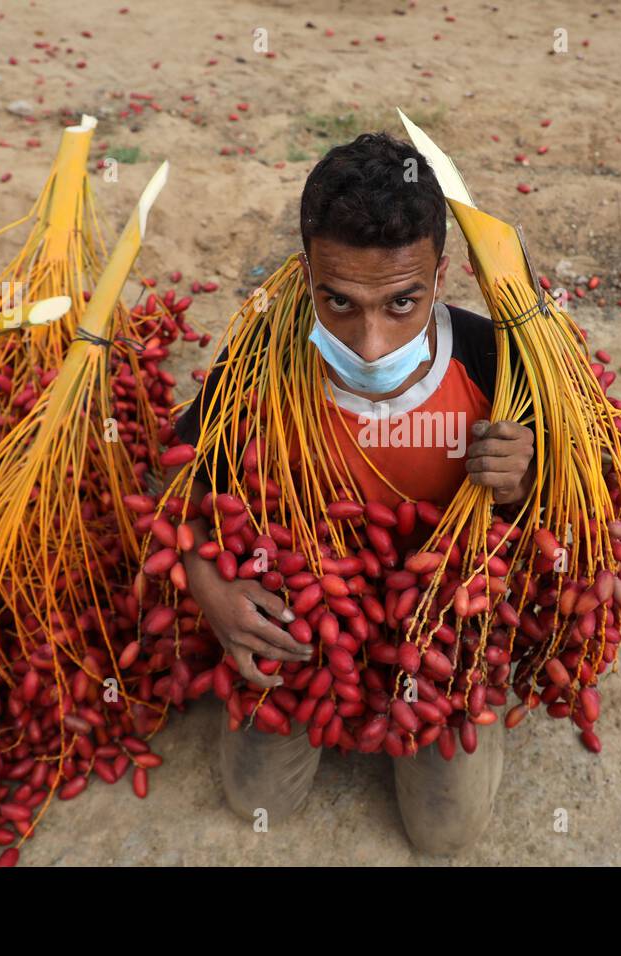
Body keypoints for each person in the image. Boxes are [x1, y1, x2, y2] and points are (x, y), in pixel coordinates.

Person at [169, 132, 536, 854]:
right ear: (305, 272)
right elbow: (183, 491)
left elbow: (578, 518)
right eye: (337, 302)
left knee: (446, 834)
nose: (370, 343)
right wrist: (211, 590)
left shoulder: (498, 361)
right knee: (255, 799)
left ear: (441, 275)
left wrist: (522, 488)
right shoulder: (257, 364)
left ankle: (450, 699)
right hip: (308, 620)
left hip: (440, 621)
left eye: (402, 303)